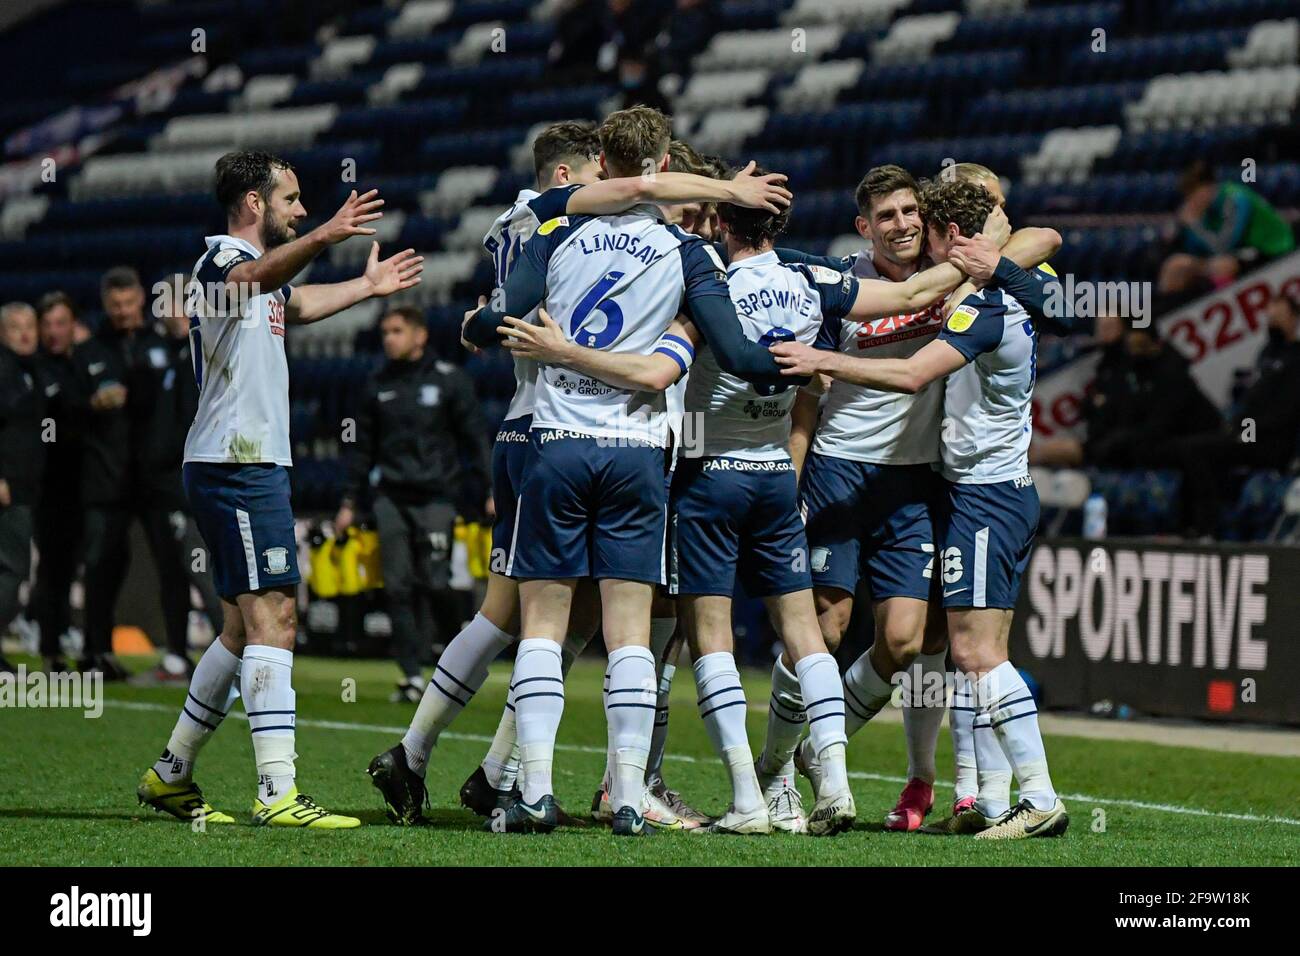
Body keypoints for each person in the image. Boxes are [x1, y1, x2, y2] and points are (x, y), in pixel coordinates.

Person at [365, 118, 791, 828]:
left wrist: (481, 326)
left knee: (564, 618)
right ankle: (476, 765)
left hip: (546, 428)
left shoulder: (542, 230)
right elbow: (651, 199)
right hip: (573, 429)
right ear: (579, 172)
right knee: (536, 616)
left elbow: (491, 319)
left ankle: (507, 773)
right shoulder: (599, 227)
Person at [771, 179, 1070, 840]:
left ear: (951, 240)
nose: (909, 229)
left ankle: (1030, 795)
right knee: (937, 644)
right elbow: (1043, 251)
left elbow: (913, 375)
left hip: (979, 492)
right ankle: (986, 796)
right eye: (891, 216)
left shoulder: (980, 303)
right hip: (921, 482)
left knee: (966, 650)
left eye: (920, 220)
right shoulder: (958, 287)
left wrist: (822, 359)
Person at [136, 149, 422, 829]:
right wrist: (328, 232)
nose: (300, 210)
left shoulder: (257, 279)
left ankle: (172, 773)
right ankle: (277, 793)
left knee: (241, 629)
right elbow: (260, 276)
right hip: (237, 466)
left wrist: (365, 288)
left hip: (247, 464)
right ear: (256, 203)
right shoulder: (218, 262)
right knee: (276, 621)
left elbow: (291, 302)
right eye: (291, 199)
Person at [336, 306, 491, 701]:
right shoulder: (375, 384)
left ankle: (456, 660)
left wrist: (491, 489)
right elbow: (360, 449)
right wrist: (350, 501)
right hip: (391, 499)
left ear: (420, 336)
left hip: (437, 498)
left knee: (437, 581)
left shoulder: (450, 381)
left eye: (397, 330)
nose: (389, 338)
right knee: (398, 587)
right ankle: (410, 675)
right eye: (385, 331)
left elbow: (475, 439)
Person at [71, 267, 198, 683]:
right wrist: (92, 404)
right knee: (102, 565)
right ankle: (96, 654)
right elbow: (67, 411)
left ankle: (178, 653)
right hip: (107, 480)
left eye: (128, 303)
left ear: (140, 299)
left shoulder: (162, 343)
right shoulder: (91, 351)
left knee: (171, 565)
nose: (123, 311)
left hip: (156, 479)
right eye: (115, 305)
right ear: (105, 305)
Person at [1168, 292, 1300, 537]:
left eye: (1278, 316)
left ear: (1294, 319)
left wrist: (1245, 431)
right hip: (1251, 436)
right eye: (1269, 317)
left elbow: (1285, 413)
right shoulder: (1267, 354)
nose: (1272, 322)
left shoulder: (1295, 358)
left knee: (1196, 450)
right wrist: (1239, 429)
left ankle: (1204, 527)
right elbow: (1251, 403)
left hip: (1275, 443)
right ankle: (1186, 525)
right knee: (1187, 447)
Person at [30, 292, 85, 673]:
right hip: (47, 486)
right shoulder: (33, 371)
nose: (53, 332)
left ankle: (62, 635)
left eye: (60, 323)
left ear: (73, 326)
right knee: (51, 567)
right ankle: (50, 646)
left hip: (86, 484)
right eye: (46, 324)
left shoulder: (82, 364)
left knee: (71, 566)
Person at [1158, 160, 1296, 298]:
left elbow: (1223, 246)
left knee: (1222, 266)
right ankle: (1163, 312)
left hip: (1272, 252)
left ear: (1207, 189)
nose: (1190, 202)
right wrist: (1182, 229)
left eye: (1192, 195)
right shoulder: (1205, 209)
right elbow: (1194, 248)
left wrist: (1194, 224)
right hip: (1243, 252)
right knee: (1176, 265)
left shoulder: (1234, 199)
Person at [0, 302, 45, 674]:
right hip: (8, 491)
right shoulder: (4, 370)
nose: (25, 333)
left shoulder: (27, 370)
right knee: (11, 571)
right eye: (16, 327)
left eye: (30, 325)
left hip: (23, 489)